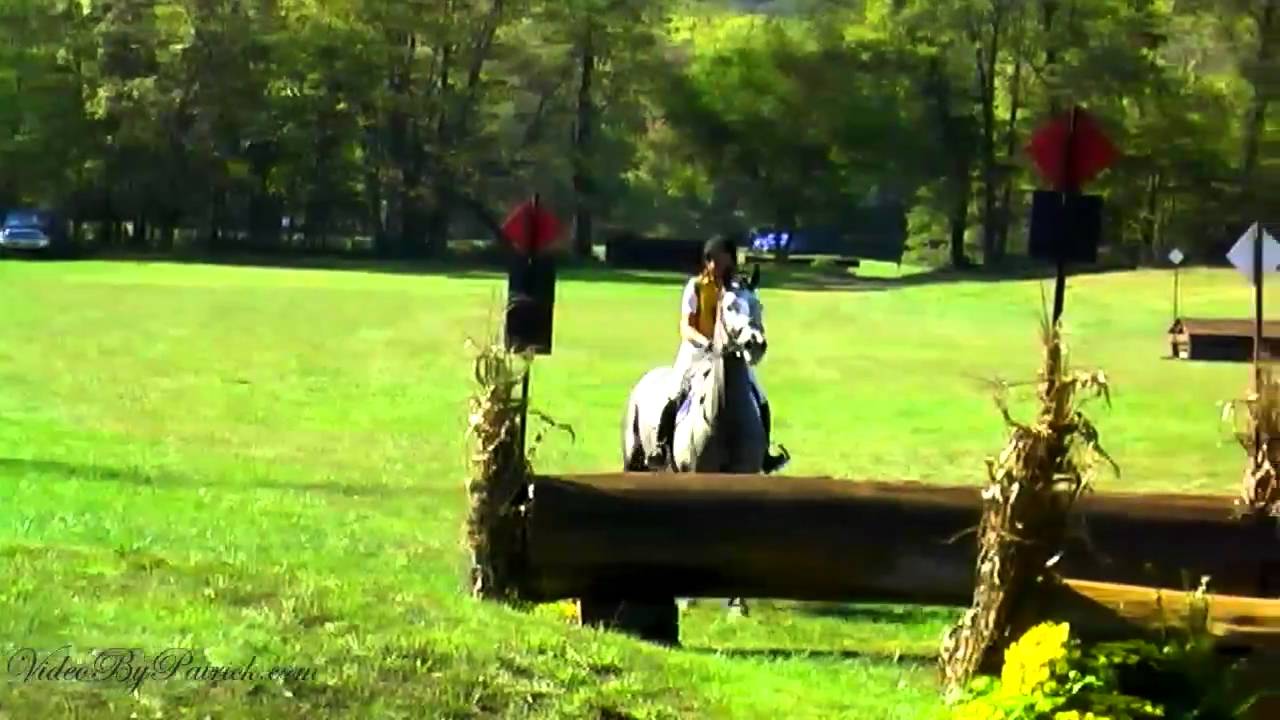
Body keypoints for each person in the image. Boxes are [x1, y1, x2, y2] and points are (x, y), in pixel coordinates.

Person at [650, 234, 788, 473]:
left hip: (731, 354)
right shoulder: (695, 287)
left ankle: (764, 453)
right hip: (696, 351)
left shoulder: (737, 290)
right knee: (675, 392)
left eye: (726, 263)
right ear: (707, 262)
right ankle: (662, 447)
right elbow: (685, 326)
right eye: (716, 262)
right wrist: (705, 342)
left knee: (760, 396)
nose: (720, 268)